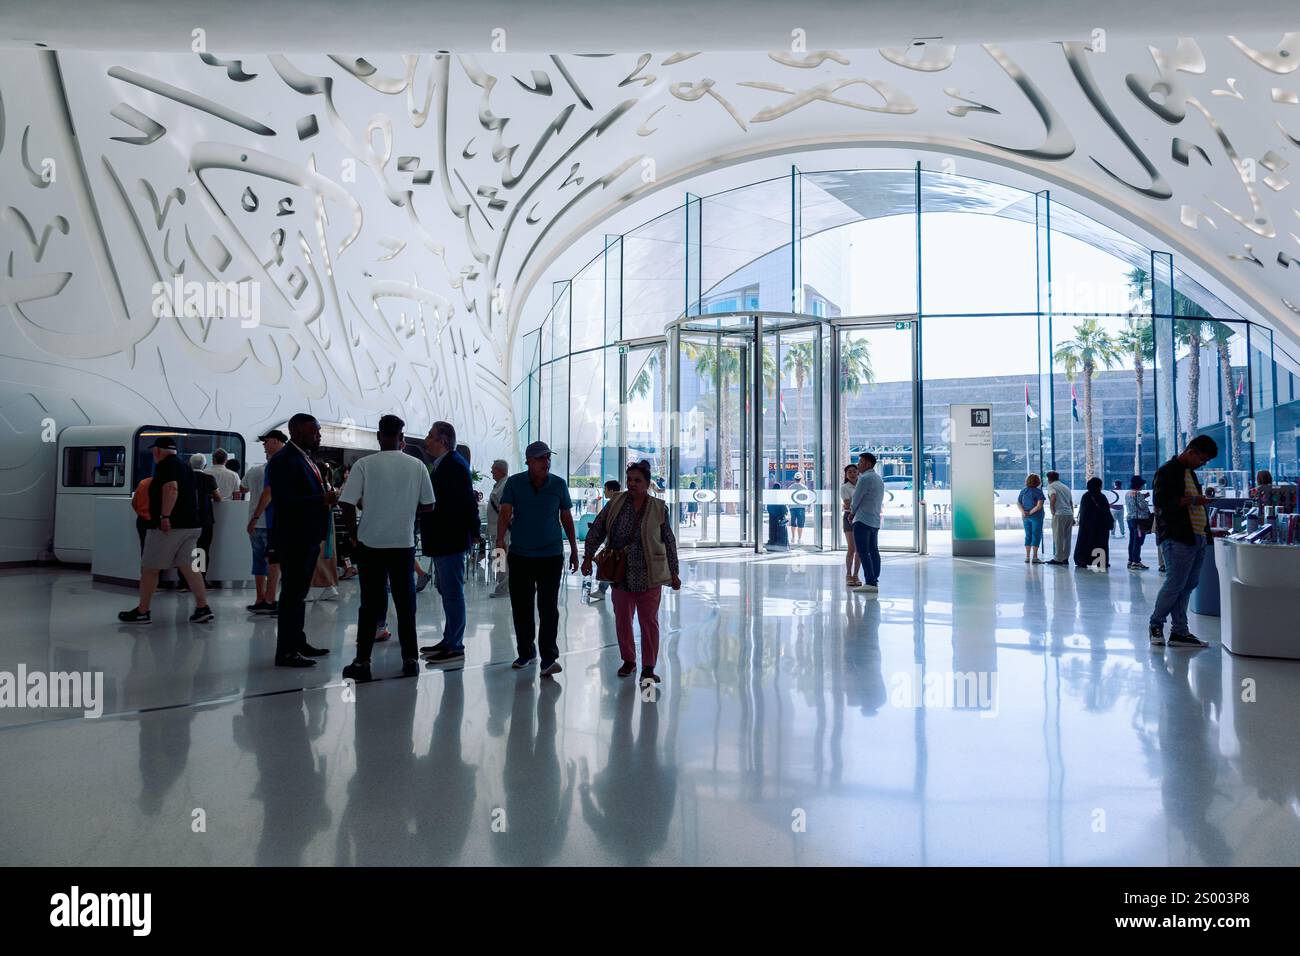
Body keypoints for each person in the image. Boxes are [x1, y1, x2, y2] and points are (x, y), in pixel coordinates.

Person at [338, 415, 435, 681]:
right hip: (402, 544)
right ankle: (410, 659)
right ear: (402, 439)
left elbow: (346, 502)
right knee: (406, 604)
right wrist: (407, 513)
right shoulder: (417, 466)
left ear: (379, 437)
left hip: (371, 544)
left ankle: (362, 662)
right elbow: (429, 505)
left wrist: (354, 534)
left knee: (369, 604)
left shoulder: (364, 465)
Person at [581, 460, 681, 686]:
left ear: (647, 483)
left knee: (649, 622)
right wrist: (588, 556)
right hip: (621, 574)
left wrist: (674, 572)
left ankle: (648, 667)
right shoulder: (616, 503)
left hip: (649, 575)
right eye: (630, 480)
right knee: (623, 621)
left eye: (638, 481)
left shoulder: (658, 507)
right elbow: (598, 528)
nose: (632, 484)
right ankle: (628, 660)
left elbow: (669, 541)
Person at [496, 440, 579, 676]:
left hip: (551, 556)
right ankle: (526, 652)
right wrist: (500, 542)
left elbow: (566, 519)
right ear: (529, 461)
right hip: (521, 555)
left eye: (547, 458)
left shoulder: (559, 485)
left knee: (548, 607)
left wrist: (573, 549)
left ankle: (548, 658)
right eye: (541, 458)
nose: (546, 462)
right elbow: (505, 513)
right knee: (521, 607)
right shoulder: (514, 483)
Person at [118, 436, 214, 624]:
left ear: (157, 451)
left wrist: (165, 517)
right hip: (192, 525)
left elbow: (171, 488)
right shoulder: (185, 466)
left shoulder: (165, 465)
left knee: (149, 568)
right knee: (189, 567)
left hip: (171, 527)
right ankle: (203, 607)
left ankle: (142, 611)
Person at [266, 413, 334, 667]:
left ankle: (297, 640)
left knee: (299, 594)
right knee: (292, 595)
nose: (319, 436)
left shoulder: (305, 459)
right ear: (297, 432)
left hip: (306, 537)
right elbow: (285, 502)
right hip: (294, 538)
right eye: (314, 432)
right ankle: (285, 651)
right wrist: (322, 500)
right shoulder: (285, 460)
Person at [1148, 435, 1219, 648]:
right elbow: (1162, 503)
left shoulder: (1190, 473)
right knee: (1175, 583)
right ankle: (1156, 624)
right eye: (1202, 460)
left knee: (1188, 585)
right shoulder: (1168, 470)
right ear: (1191, 452)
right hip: (1177, 536)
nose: (1202, 464)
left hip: (1196, 536)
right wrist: (1196, 500)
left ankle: (1180, 631)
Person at [418, 421, 478, 664]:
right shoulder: (445, 464)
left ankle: (455, 644)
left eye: (430, 436)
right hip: (445, 539)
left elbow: (464, 503)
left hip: (450, 540)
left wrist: (473, 532)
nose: (426, 440)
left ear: (443, 441)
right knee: (447, 591)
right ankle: (449, 638)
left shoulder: (453, 465)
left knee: (453, 592)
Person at [243, 429, 285, 614]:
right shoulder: (279, 467)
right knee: (273, 562)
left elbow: (242, 489)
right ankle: (270, 599)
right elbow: (268, 494)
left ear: (276, 442)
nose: (264, 445)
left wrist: (254, 518)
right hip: (270, 522)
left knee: (259, 561)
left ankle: (261, 598)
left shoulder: (254, 471)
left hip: (261, 522)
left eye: (266, 441)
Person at [849, 451, 884, 593]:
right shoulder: (878, 479)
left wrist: (851, 512)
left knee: (863, 551)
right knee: (874, 551)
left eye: (860, 462)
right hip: (874, 520)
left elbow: (856, 498)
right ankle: (874, 580)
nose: (858, 465)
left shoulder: (864, 478)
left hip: (862, 519)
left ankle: (870, 582)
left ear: (868, 463)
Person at [188, 453, 222, 586]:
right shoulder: (208, 478)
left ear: (189, 464)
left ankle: (184, 582)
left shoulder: (185, 477)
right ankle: (200, 579)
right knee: (202, 549)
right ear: (205, 465)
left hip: (187, 519)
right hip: (204, 519)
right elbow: (218, 497)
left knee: (184, 551)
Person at [587, 479, 623, 602]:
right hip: (615, 541)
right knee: (610, 564)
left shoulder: (613, 504)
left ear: (611, 490)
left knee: (609, 563)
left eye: (605, 489)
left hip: (614, 542)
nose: (604, 492)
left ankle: (603, 590)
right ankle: (603, 589)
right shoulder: (622, 503)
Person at [1072, 476, 1115, 569]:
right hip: (1101, 526)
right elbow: (1106, 511)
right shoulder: (1101, 497)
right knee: (1101, 543)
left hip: (1087, 526)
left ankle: (1082, 560)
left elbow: (1083, 512)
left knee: (1085, 542)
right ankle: (1101, 561)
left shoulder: (1086, 496)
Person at [486, 458, 511, 598]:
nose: (491, 471)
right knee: (498, 558)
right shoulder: (499, 485)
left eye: (493, 469)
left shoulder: (505, 485)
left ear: (500, 470)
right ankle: (501, 584)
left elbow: (505, 510)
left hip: (503, 531)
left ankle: (504, 587)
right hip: (496, 530)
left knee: (502, 558)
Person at [1044, 470, 1074, 565]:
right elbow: (1070, 502)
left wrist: (1052, 510)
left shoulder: (1051, 486)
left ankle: (1058, 558)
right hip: (1069, 514)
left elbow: (1053, 496)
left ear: (1049, 478)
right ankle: (1065, 558)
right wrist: (1072, 515)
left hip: (1059, 514)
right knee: (1067, 537)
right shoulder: (1066, 487)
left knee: (1058, 536)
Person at [1125, 475, 1152, 571]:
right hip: (1139, 521)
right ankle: (1136, 562)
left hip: (1130, 519)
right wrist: (1145, 500)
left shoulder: (1128, 493)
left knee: (1132, 540)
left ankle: (1131, 560)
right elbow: (1142, 506)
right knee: (1138, 541)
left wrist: (1143, 496)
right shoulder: (1138, 494)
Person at [841, 463, 862, 586]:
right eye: (849, 472)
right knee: (851, 548)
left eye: (854, 471)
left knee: (859, 549)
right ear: (846, 475)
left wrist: (853, 505)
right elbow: (847, 504)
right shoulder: (845, 487)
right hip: (849, 518)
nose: (852, 474)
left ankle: (856, 575)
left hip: (861, 518)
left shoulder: (862, 485)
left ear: (858, 472)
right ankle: (848, 574)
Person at [1018, 473, 1046, 564]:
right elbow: (1039, 506)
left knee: (1028, 535)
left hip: (1025, 516)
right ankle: (1035, 557)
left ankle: (1027, 557)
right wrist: (1030, 513)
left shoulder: (1023, 491)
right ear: (1037, 481)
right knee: (1036, 535)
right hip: (1036, 516)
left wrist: (1024, 512)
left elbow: (1018, 503)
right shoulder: (1038, 492)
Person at [766, 480, 789, 549]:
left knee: (772, 530)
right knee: (781, 530)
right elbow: (784, 507)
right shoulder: (780, 496)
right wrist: (784, 513)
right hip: (780, 516)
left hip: (772, 517)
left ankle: (773, 542)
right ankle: (780, 543)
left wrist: (772, 513)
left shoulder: (771, 496)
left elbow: (768, 507)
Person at [788, 471, 808, 545]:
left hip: (792, 508)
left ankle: (793, 538)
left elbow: (789, 498)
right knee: (800, 523)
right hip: (801, 508)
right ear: (801, 478)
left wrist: (789, 506)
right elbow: (806, 498)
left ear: (794, 478)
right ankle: (799, 539)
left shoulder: (790, 487)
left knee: (793, 523)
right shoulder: (804, 487)